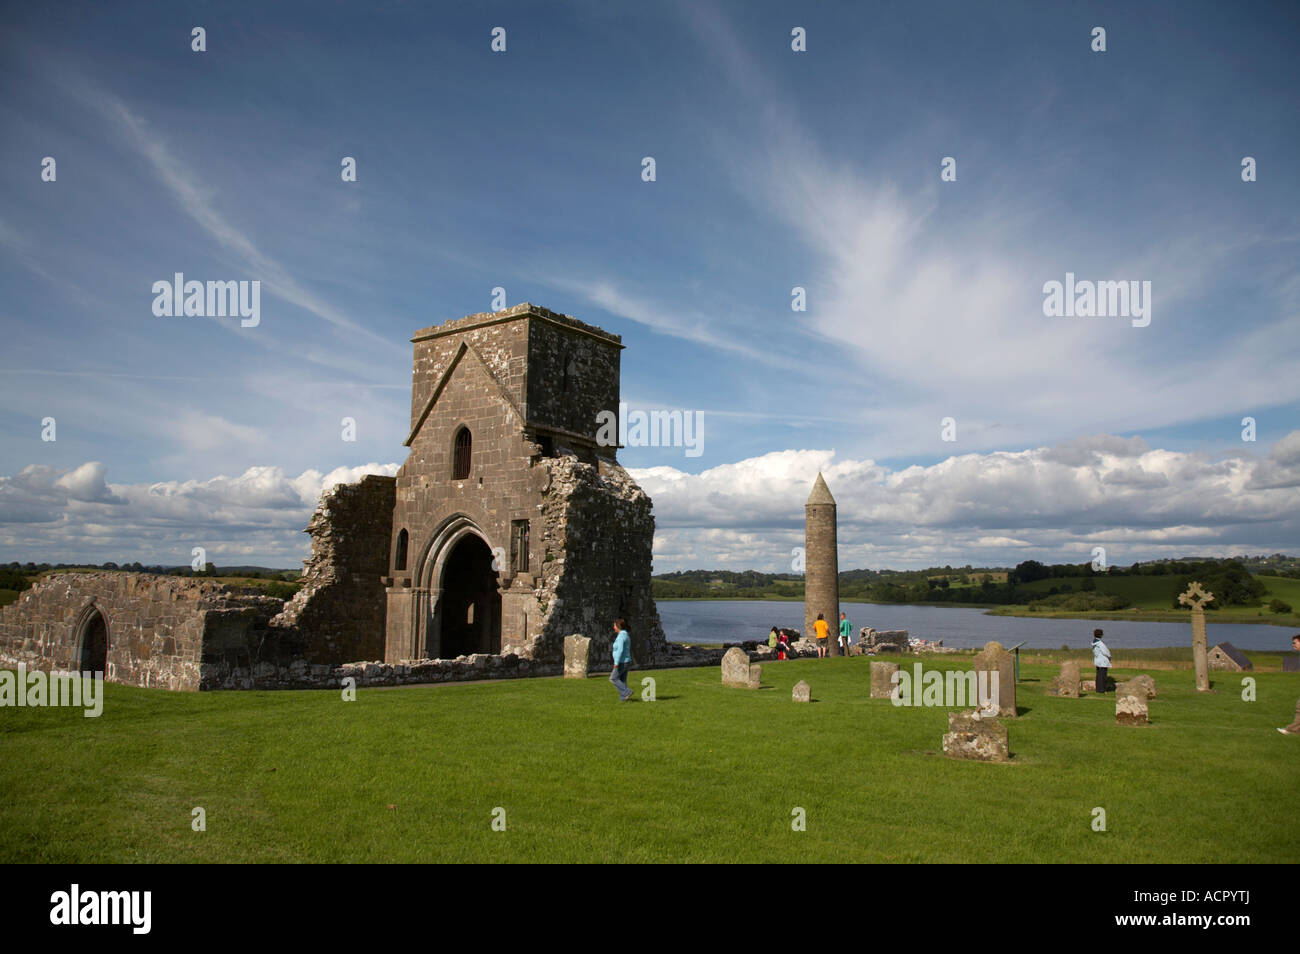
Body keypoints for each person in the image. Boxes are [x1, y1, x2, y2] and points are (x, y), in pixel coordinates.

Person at [609, 618, 631, 702]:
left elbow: (620, 650)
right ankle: (623, 699)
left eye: (614, 625)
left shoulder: (622, 635)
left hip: (621, 661)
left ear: (618, 626)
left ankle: (627, 691)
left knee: (613, 678)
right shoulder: (625, 634)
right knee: (622, 680)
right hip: (626, 660)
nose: (613, 627)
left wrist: (616, 663)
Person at [1092, 628, 1112, 693]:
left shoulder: (1094, 642)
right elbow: (1105, 652)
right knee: (1102, 676)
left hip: (1098, 660)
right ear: (1101, 635)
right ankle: (1102, 689)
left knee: (1098, 675)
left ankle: (1098, 688)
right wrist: (1109, 656)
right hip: (1102, 661)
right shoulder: (1100, 643)